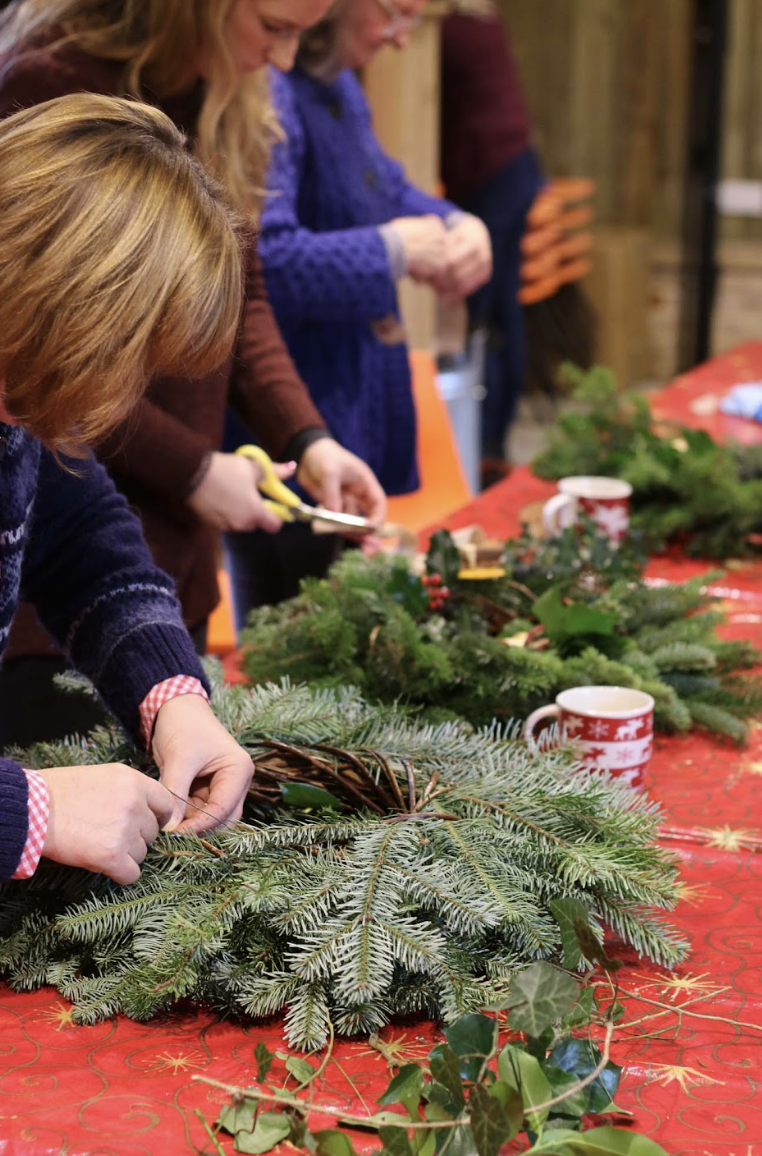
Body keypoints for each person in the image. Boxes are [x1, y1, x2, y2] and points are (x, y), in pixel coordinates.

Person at [0, 0, 387, 744]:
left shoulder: (28, 433)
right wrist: (35, 816)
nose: (111, 409)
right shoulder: (52, 83)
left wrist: (171, 696)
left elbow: (82, 533)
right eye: (274, 26)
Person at [0, 92, 256, 885]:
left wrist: (172, 699)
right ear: (73, 313)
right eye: (133, 359)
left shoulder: (19, 408)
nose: (125, 394)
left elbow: (88, 549)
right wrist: (32, 809)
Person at [222, 0, 492, 627]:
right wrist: (392, 249)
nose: (402, 40)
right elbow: (264, 265)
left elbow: (387, 189)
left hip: (337, 421)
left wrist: (456, 223)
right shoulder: (274, 95)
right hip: (287, 417)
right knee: (293, 648)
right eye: (394, 15)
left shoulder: (338, 85)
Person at [440, 5, 544, 487]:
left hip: (494, 174)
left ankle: (485, 446)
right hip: (514, 165)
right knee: (502, 311)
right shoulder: (478, 14)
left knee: (487, 317)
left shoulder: (449, 24)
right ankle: (491, 445)